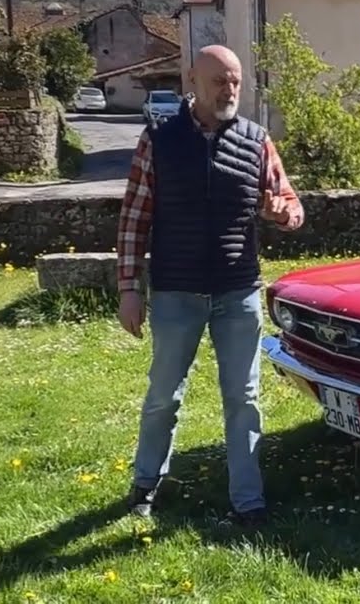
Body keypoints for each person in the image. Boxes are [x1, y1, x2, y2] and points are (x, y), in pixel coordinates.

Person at [115, 44, 303, 526]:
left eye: (236, 80)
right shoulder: (159, 140)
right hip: (177, 292)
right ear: (192, 83)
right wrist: (129, 289)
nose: (230, 89)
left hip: (237, 292)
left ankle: (248, 500)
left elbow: (290, 202)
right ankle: (145, 484)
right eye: (219, 80)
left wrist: (284, 212)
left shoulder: (257, 140)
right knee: (164, 395)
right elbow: (134, 219)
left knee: (243, 398)